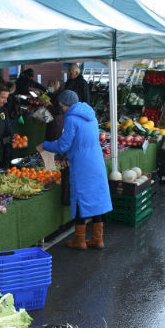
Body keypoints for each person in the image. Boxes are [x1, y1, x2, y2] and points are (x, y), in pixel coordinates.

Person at [38, 90, 111, 250]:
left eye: (62, 105)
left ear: (65, 104)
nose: (61, 108)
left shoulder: (71, 118)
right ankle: (98, 239)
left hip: (82, 163)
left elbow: (64, 145)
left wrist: (46, 145)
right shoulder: (90, 114)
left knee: (80, 199)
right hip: (96, 160)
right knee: (96, 199)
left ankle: (80, 240)